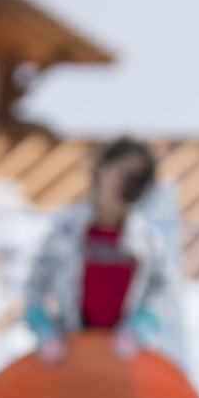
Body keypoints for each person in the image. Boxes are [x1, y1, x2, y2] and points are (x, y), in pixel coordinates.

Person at [22, 138, 176, 361]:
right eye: (121, 174)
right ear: (102, 169)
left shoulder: (148, 241)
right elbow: (35, 286)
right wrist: (43, 327)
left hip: (123, 360)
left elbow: (164, 288)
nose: (124, 186)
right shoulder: (67, 232)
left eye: (135, 180)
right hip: (71, 354)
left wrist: (144, 323)